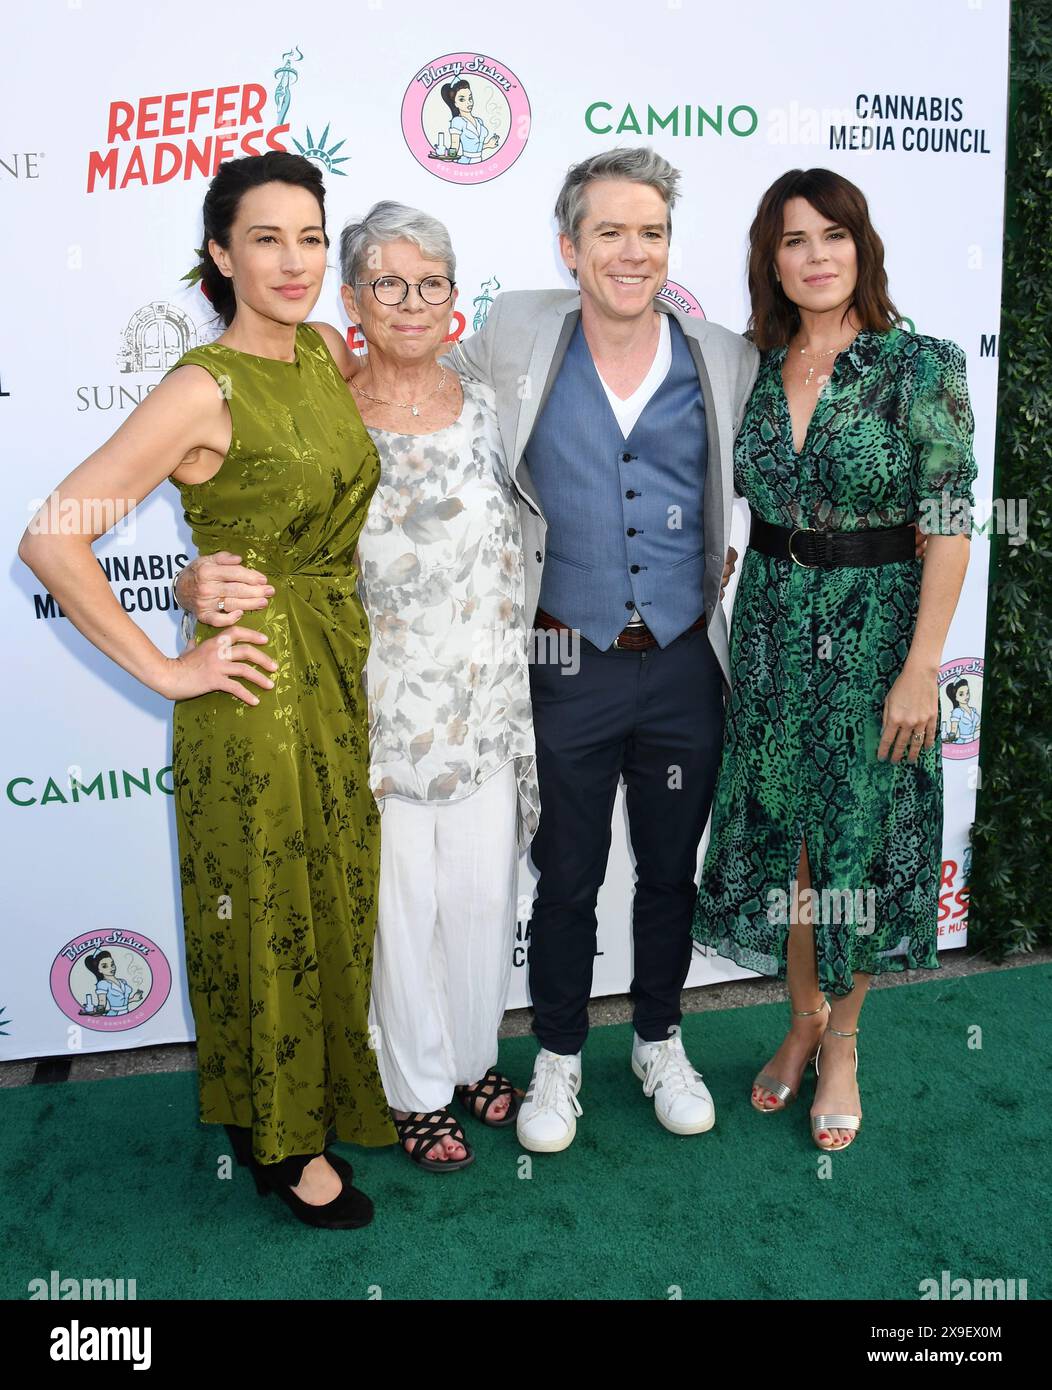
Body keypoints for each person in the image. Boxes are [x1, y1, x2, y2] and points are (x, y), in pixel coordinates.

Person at [20, 150, 395, 1227]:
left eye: (311, 237)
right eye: (265, 239)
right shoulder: (200, 385)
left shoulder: (326, 351)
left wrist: (208, 566)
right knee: (268, 897)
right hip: (255, 680)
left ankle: (278, 1094)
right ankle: (286, 1145)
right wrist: (170, 663)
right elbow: (53, 538)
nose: (293, 260)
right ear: (220, 255)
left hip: (334, 654)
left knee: (332, 887)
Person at [175, 202, 538, 1171]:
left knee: (476, 903)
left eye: (430, 284)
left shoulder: (489, 406)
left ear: (455, 303)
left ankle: (469, 1059)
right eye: (387, 283)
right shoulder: (323, 412)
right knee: (396, 911)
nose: (410, 302)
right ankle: (415, 1089)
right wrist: (193, 575)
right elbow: (250, 519)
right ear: (353, 300)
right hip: (365, 710)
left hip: (487, 709)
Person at [441, 146, 758, 1152]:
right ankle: (559, 1059)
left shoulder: (723, 355)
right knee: (566, 874)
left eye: (651, 232)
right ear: (569, 245)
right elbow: (405, 394)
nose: (633, 252)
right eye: (609, 232)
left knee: (668, 870)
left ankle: (659, 1039)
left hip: (678, 663)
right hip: (562, 660)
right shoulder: (513, 334)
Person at [692, 168, 976, 1151]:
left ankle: (843, 1040)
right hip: (771, 632)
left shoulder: (918, 365)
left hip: (874, 638)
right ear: (767, 260)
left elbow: (945, 521)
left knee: (851, 844)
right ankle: (800, 1018)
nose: (814, 256)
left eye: (831, 235)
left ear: (861, 244)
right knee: (796, 851)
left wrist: (921, 664)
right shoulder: (751, 370)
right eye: (791, 240)